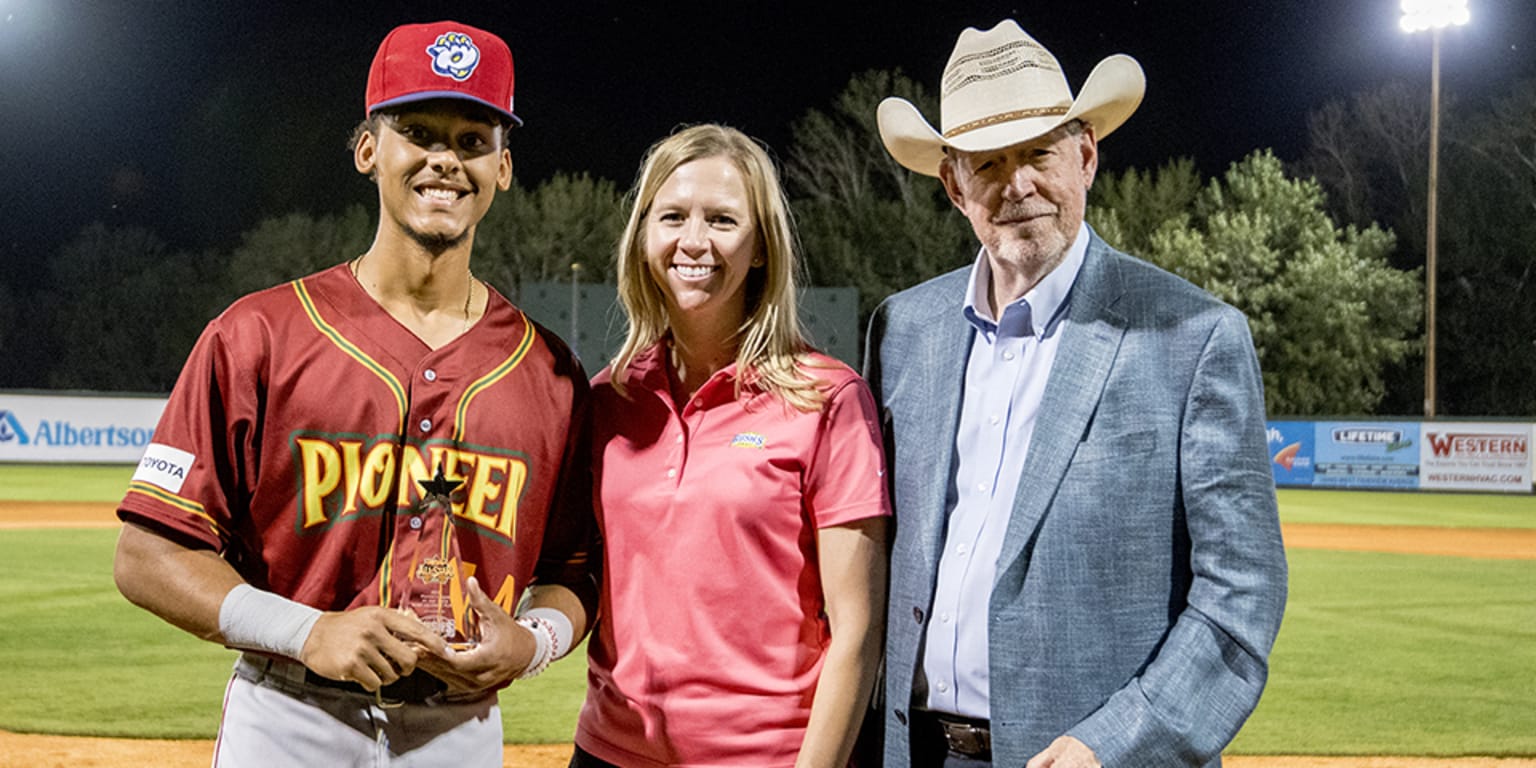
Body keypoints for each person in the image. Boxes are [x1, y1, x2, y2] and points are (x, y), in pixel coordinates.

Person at [112, 20, 596, 767]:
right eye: (419, 132)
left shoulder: (550, 373)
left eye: (474, 140)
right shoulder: (258, 337)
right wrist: (307, 631)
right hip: (289, 715)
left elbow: (573, 574)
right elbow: (146, 555)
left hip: (460, 732)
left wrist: (533, 644)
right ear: (369, 149)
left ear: (504, 167)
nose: (446, 160)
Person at [865, 20, 1288, 768]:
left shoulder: (1195, 335)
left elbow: (1240, 597)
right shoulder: (902, 330)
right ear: (952, 184)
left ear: (1086, 155)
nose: (1017, 184)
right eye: (988, 163)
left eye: (1038, 153)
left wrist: (1113, 744)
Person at [570, 124, 889, 768]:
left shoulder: (826, 399)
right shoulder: (608, 399)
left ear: (762, 246)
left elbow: (858, 630)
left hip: (766, 756)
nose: (694, 241)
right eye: (673, 217)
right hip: (609, 751)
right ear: (644, 238)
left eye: (721, 219)